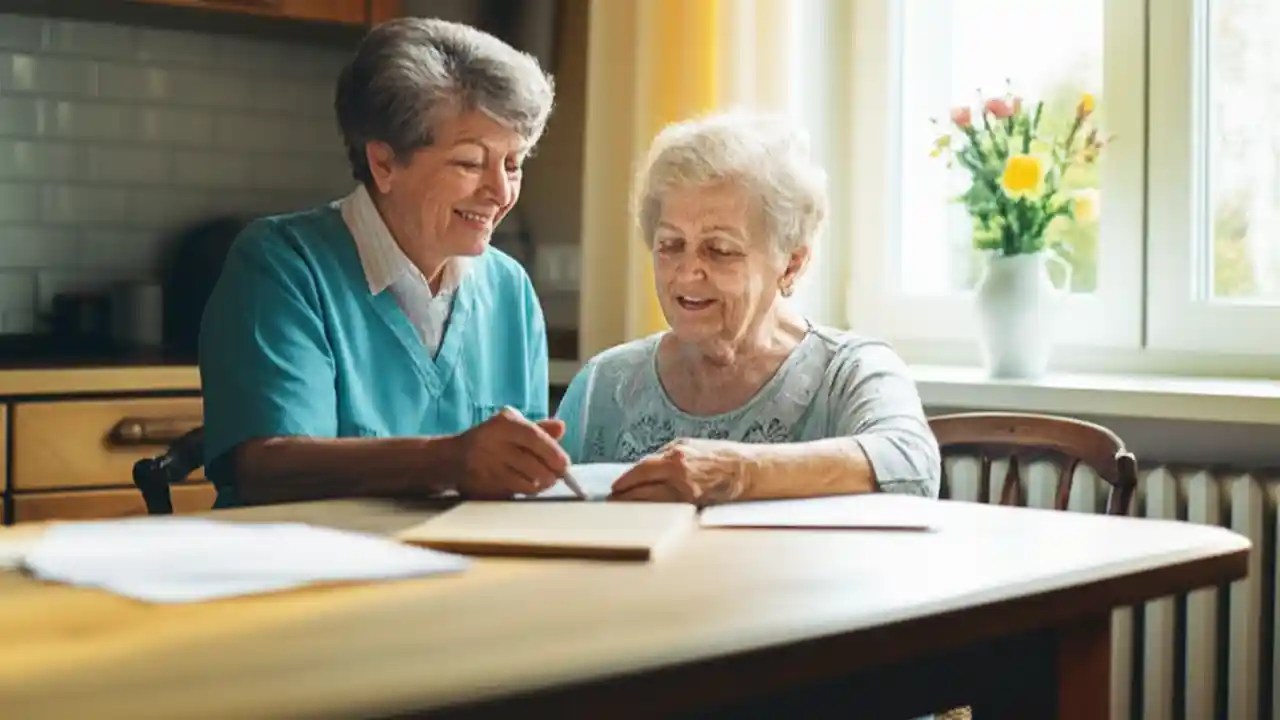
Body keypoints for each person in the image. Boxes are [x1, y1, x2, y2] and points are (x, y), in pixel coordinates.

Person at [199, 18, 569, 507]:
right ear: (384, 164)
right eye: (470, 162)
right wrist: (449, 461)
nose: (500, 192)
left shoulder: (510, 290)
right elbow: (264, 467)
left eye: (513, 164)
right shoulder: (283, 265)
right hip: (312, 571)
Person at [555, 111, 941, 505]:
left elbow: (911, 465)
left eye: (720, 250)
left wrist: (739, 473)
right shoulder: (606, 383)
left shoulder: (850, 372)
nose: (688, 273)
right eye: (670, 245)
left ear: (791, 263)